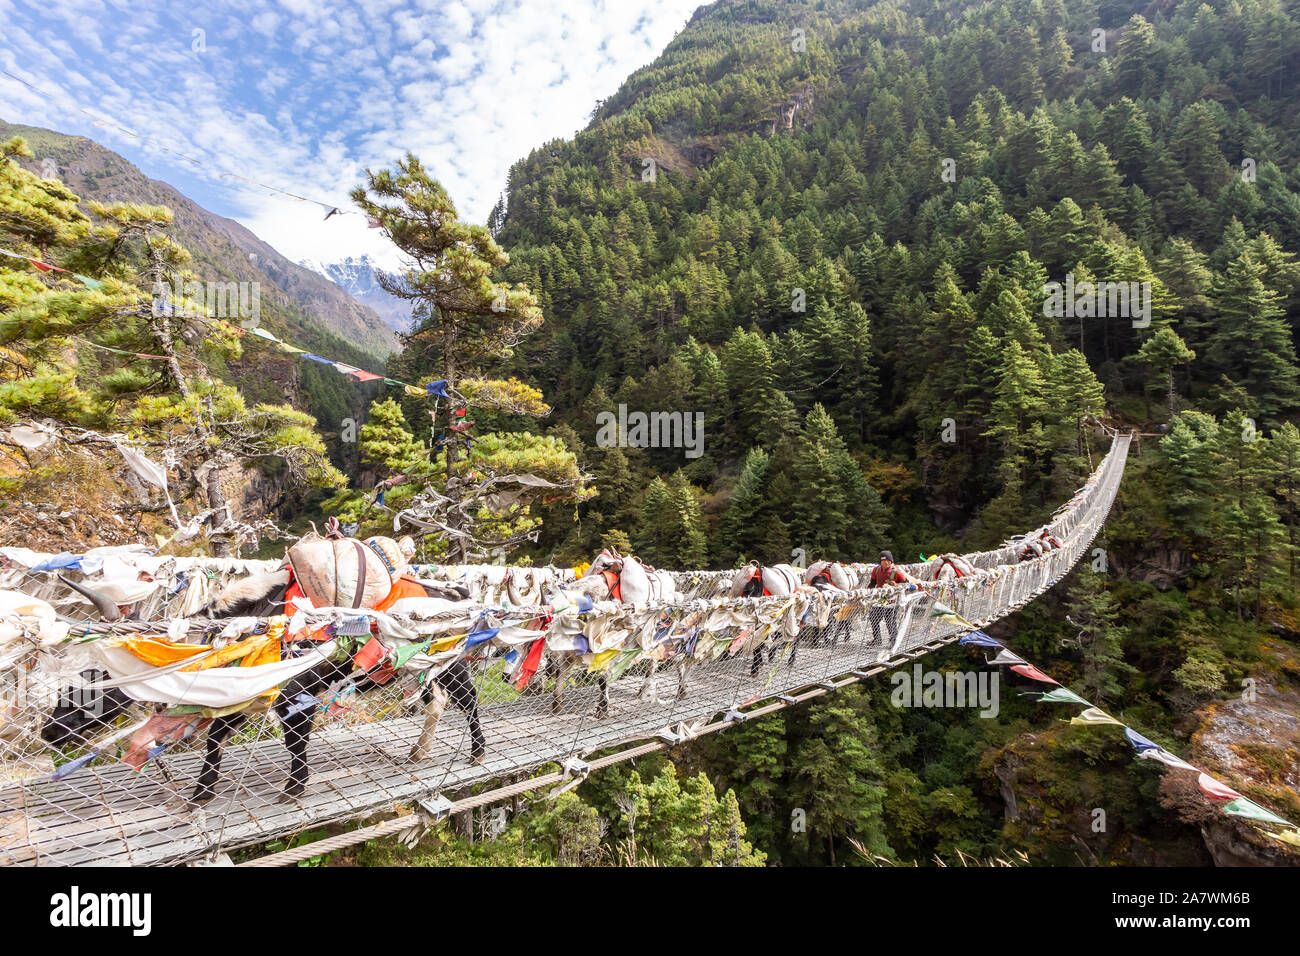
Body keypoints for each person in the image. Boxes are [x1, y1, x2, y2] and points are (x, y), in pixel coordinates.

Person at [866, 550, 914, 648]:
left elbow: (908, 585)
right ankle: (877, 639)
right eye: (883, 561)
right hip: (880, 599)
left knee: (890, 620)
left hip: (892, 600)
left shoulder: (896, 573)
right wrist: (867, 594)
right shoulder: (876, 570)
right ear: (880, 561)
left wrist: (896, 584)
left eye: (888, 560)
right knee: (874, 618)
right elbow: (872, 584)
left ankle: (894, 641)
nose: (886, 562)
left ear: (891, 562)